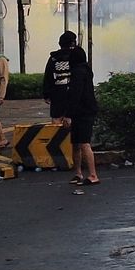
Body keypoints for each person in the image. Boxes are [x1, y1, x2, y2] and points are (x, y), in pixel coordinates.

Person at [42, 31, 100, 185]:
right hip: (78, 110)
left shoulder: (76, 73)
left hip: (81, 111)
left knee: (82, 143)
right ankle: (79, 173)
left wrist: (68, 114)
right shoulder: (84, 71)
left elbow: (75, 95)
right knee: (76, 142)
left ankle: (92, 175)